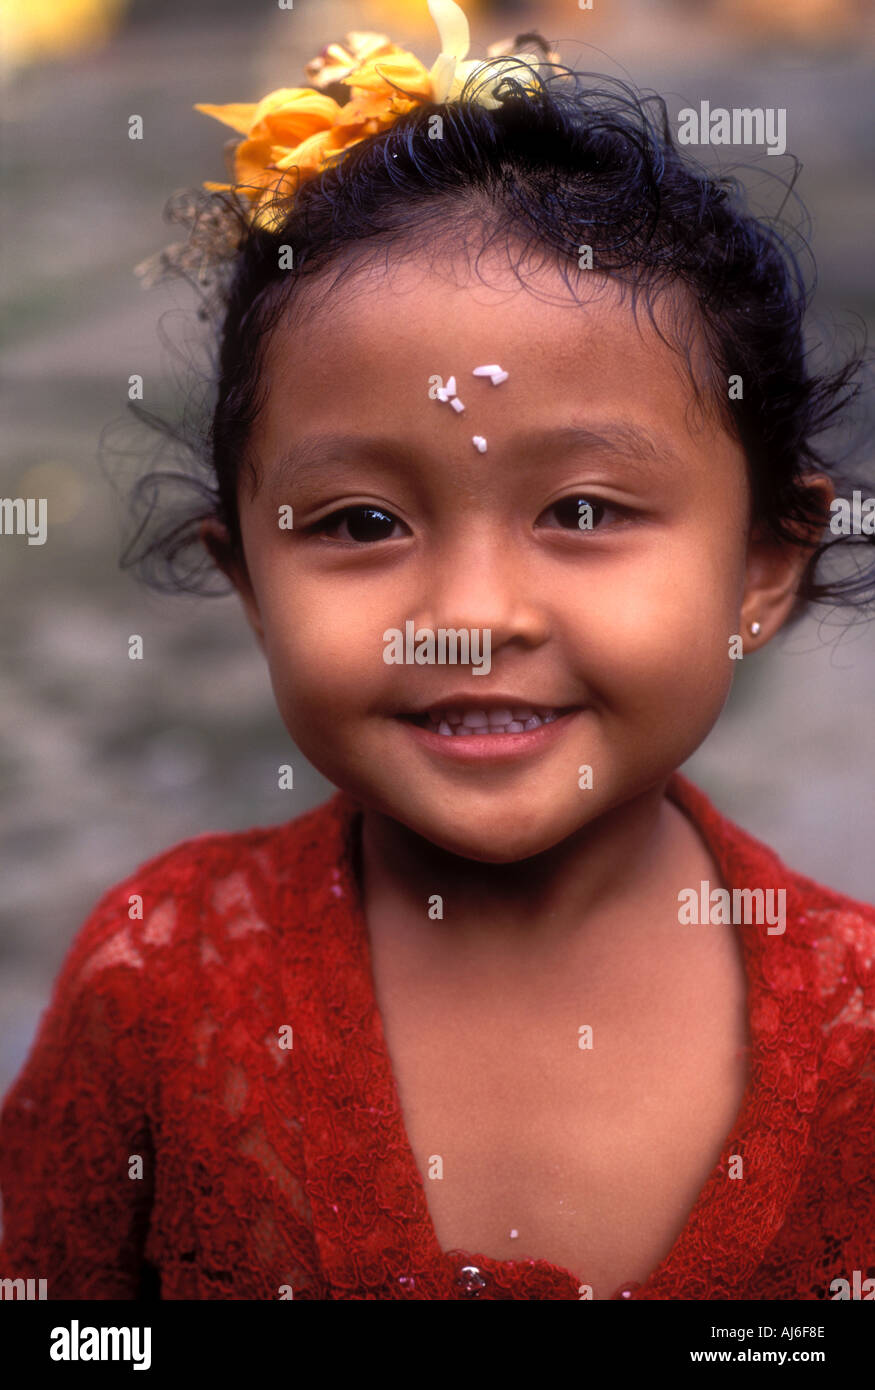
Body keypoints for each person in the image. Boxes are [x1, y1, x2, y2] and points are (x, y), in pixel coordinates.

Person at [1, 0, 873, 1300]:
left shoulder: (859, 1036)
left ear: (762, 567)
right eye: (360, 522)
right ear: (247, 582)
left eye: (582, 511)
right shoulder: (161, 981)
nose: (470, 610)